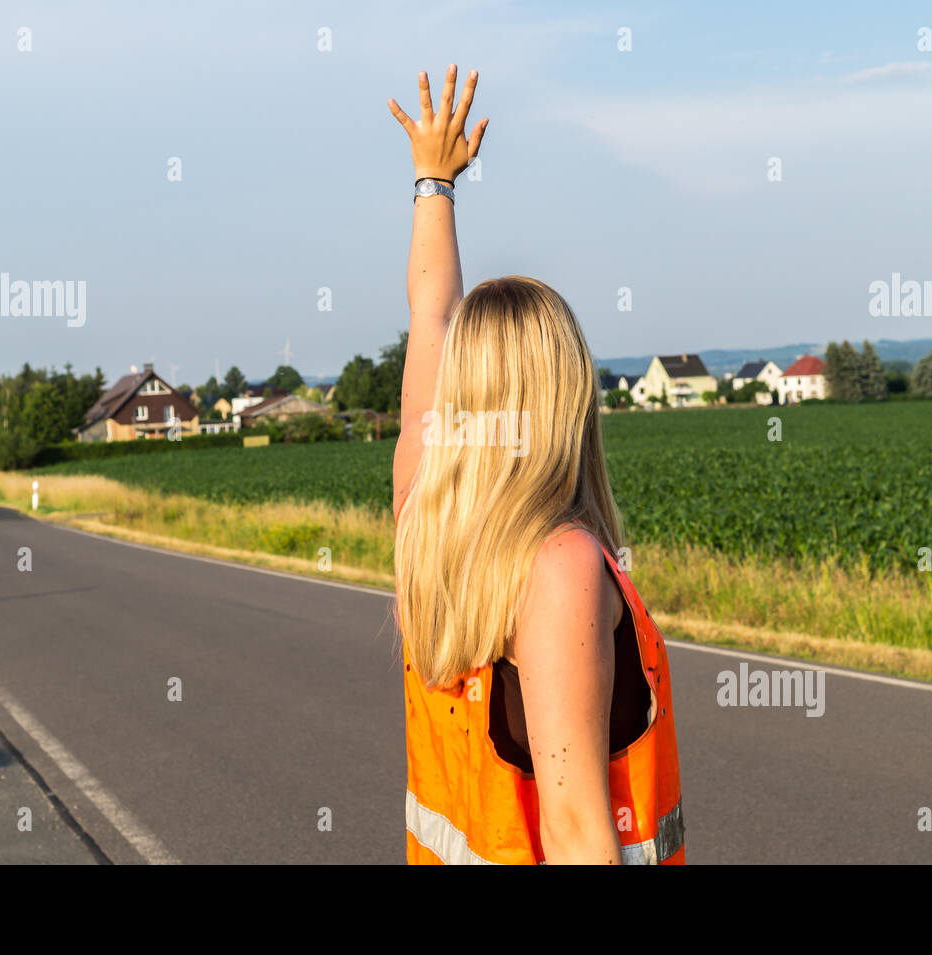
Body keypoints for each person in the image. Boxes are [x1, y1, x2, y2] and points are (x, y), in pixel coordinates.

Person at [388, 65, 684, 865]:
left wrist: (434, 181)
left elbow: (431, 312)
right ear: (567, 395)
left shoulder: (424, 516)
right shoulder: (559, 567)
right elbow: (578, 830)